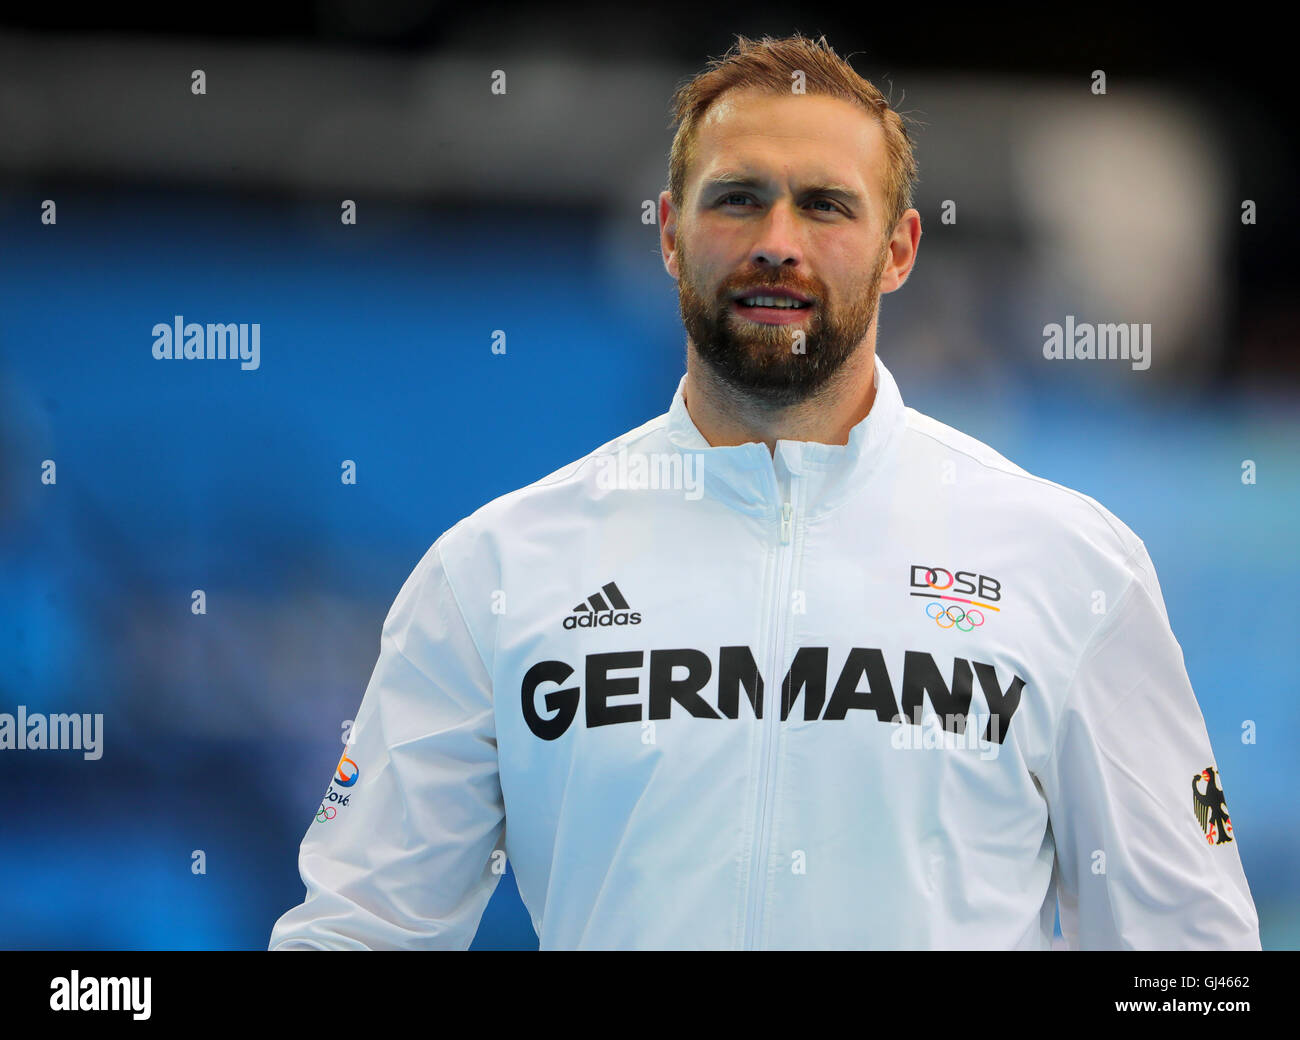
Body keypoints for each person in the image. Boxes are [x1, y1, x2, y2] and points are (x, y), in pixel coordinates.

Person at [268, 33, 1260, 950]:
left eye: (825, 205)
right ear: (668, 233)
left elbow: (1188, 956)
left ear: (899, 249)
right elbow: (356, 930)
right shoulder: (495, 569)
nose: (777, 240)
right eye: (737, 198)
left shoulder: (1066, 565)